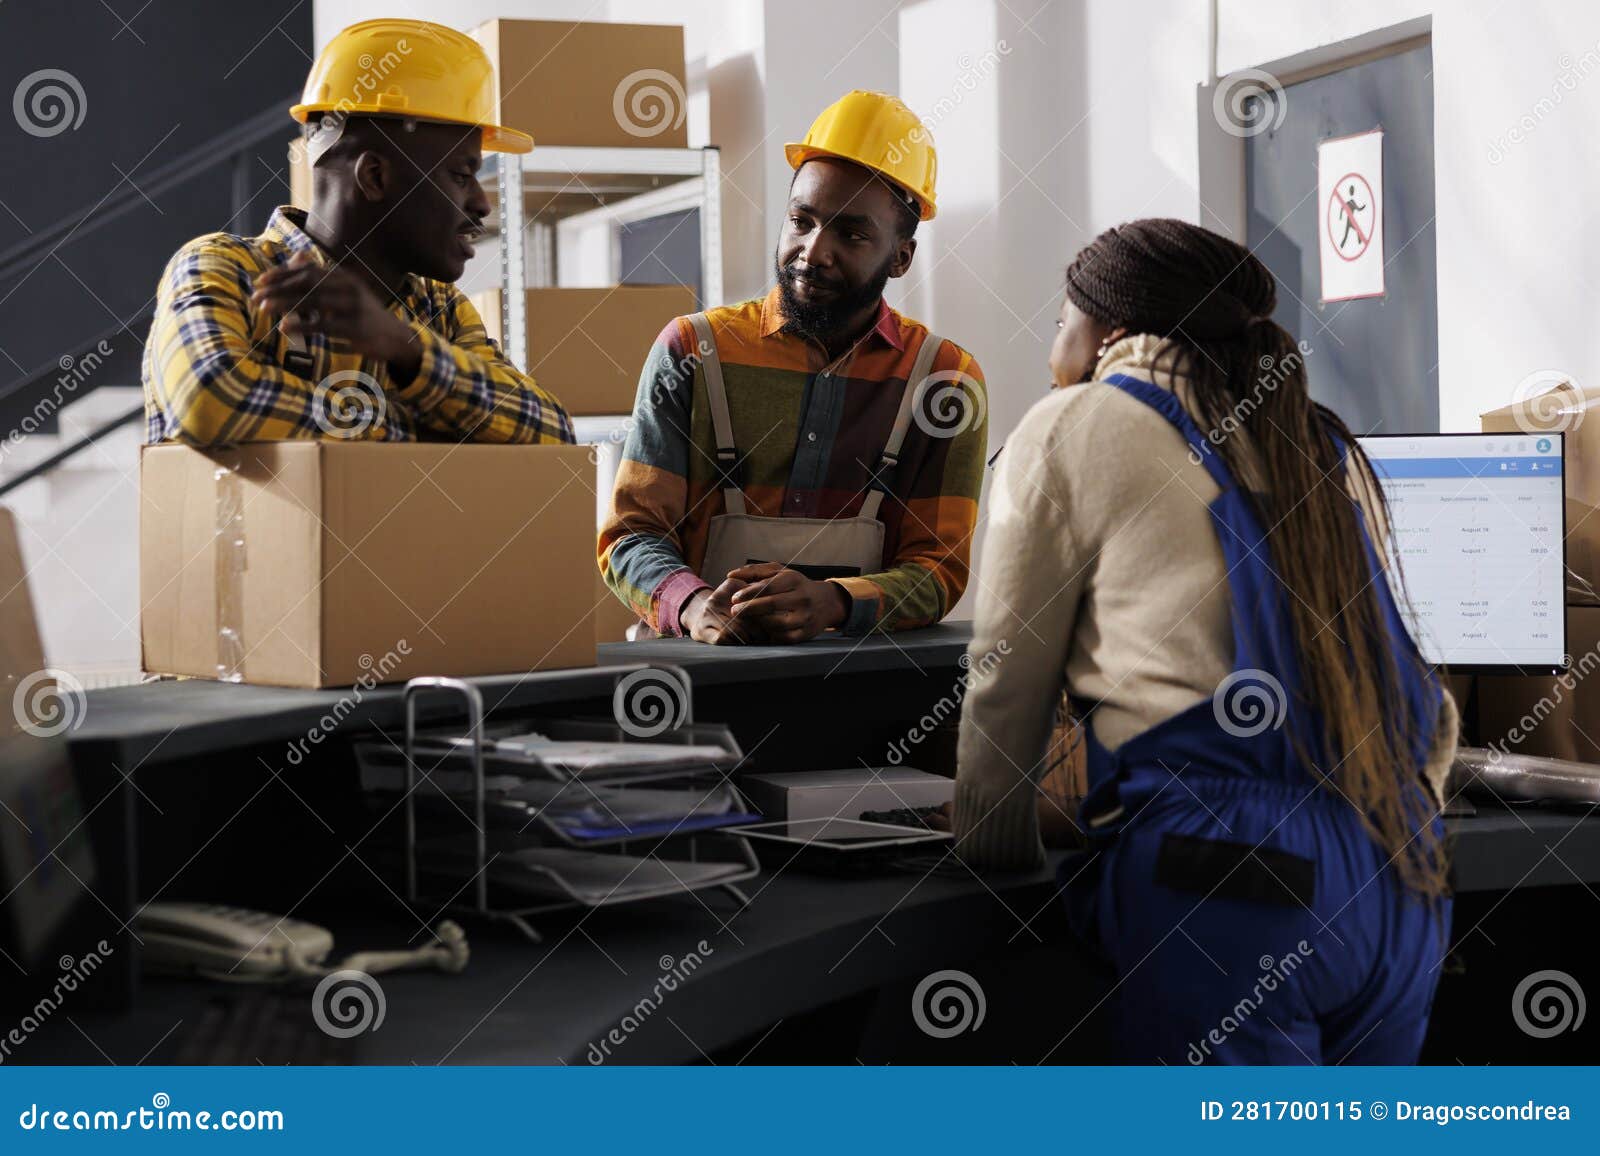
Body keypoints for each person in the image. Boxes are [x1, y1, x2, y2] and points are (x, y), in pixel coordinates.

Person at [948, 219, 1457, 1064]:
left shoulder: (1073, 424)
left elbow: (1008, 678)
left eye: (1058, 320)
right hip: (1401, 876)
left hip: (1232, 881)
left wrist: (990, 835)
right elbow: (1430, 715)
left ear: (1109, 332)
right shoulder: (1316, 441)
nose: (1050, 349)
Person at [599, 91, 987, 644]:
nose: (813, 250)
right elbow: (630, 536)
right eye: (801, 221)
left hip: (860, 685)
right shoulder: (691, 349)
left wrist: (833, 601)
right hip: (699, 681)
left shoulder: (945, 379)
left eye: (851, 234)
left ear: (901, 257)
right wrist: (690, 604)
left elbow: (938, 569)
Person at [143, 19, 573, 446]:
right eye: (462, 175)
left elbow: (551, 434)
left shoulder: (441, 311)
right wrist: (409, 438)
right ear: (374, 176)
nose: (482, 203)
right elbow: (209, 400)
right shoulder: (224, 270)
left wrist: (405, 347)